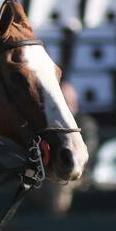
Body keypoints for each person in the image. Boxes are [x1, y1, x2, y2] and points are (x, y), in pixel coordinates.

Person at [30, 80, 99, 215]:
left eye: (68, 102)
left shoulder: (85, 123)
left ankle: (58, 222)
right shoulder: (48, 124)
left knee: (61, 184)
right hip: (49, 172)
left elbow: (84, 156)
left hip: (79, 174)